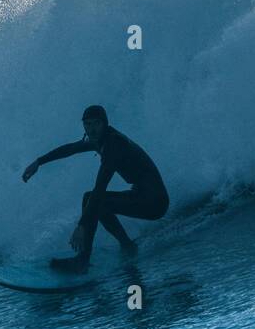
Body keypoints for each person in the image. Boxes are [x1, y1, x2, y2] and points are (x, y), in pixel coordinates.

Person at [23, 105, 169, 272]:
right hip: (141, 194)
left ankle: (83, 261)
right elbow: (71, 149)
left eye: (96, 124)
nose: (91, 129)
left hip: (154, 201)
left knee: (94, 199)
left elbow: (100, 187)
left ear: (105, 124)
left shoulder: (115, 144)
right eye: (87, 124)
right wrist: (39, 162)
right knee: (95, 201)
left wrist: (82, 225)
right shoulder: (100, 140)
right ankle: (127, 246)